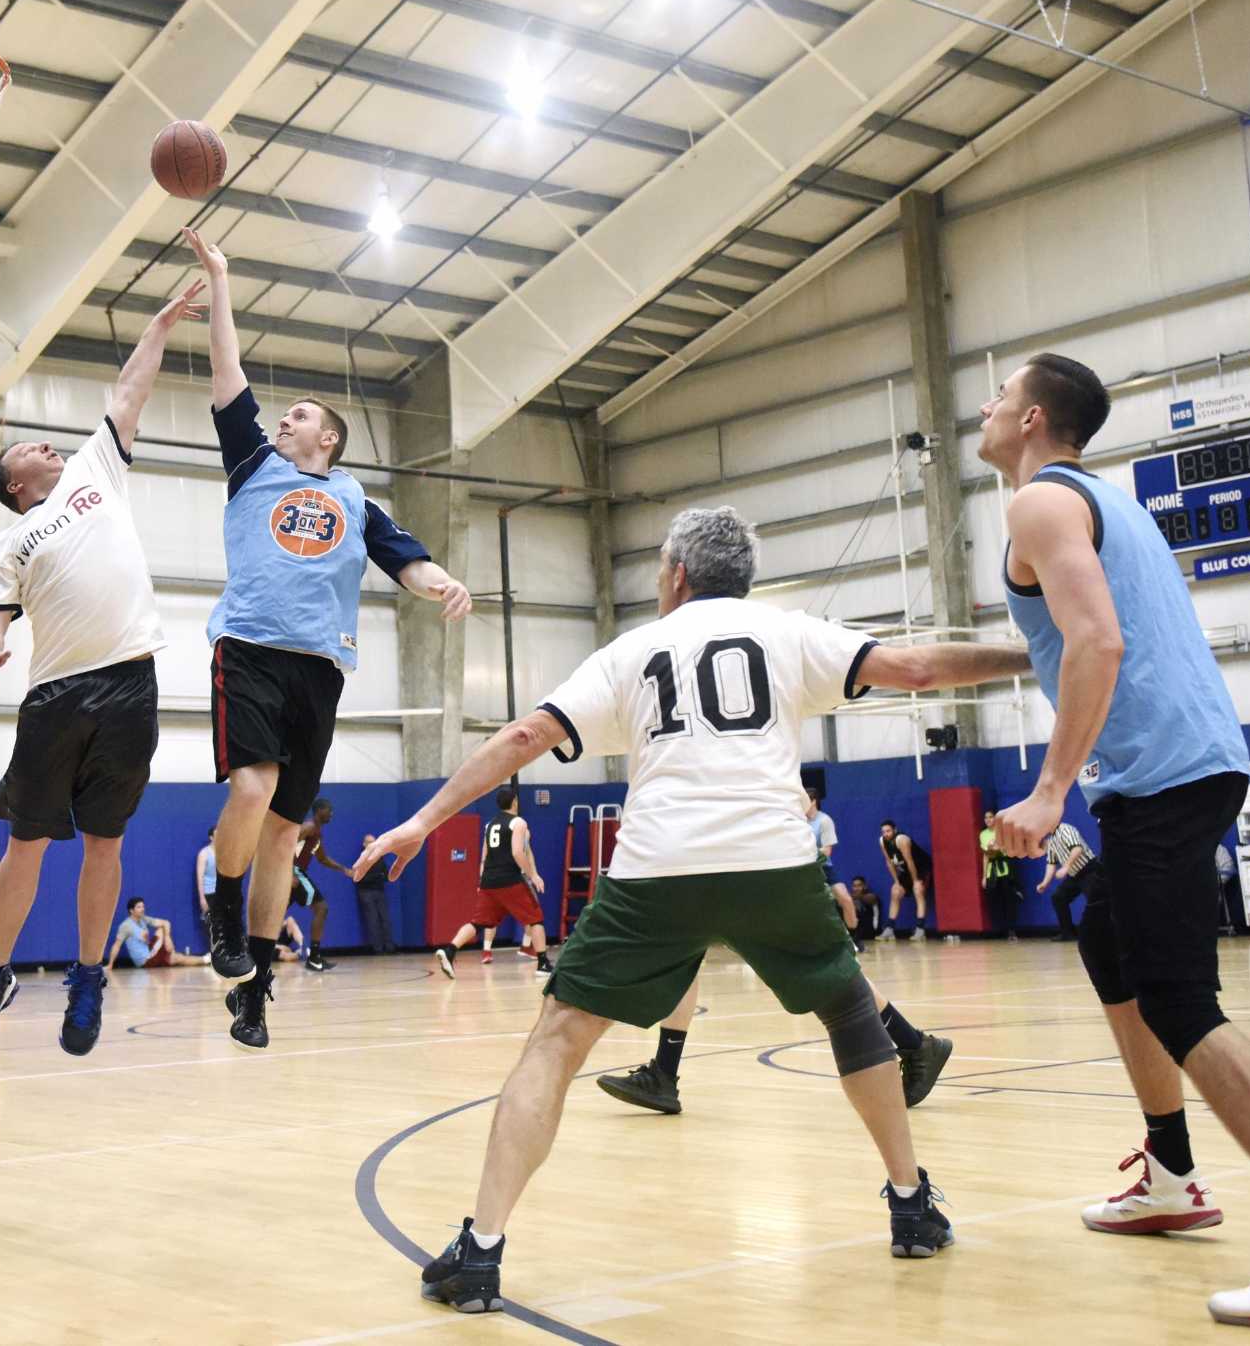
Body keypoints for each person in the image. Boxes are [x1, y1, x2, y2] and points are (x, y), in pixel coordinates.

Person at [354, 505, 1034, 1307]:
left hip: (658, 869)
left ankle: (481, 1250)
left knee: (556, 1041)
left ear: (677, 574)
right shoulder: (790, 633)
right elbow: (917, 669)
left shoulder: (631, 650)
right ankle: (912, 1205)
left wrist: (423, 821)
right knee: (852, 1014)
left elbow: (523, 738)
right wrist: (1038, 652)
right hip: (771, 861)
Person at [982, 354, 1250, 1325]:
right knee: (1108, 937)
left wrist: (1049, 790)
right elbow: (1071, 636)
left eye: (1000, 395)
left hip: (1164, 775)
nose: (986, 406)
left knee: (1179, 1000)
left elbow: (1098, 642)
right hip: (1189, 762)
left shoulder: (1036, 505)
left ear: (1032, 419)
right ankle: (1171, 1174)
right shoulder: (1104, 502)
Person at [185, 226, 472, 1051]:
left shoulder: (356, 499)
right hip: (250, 646)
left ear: (330, 439)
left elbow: (406, 561)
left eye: (301, 414)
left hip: (321, 667)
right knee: (250, 791)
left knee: (284, 830)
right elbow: (227, 374)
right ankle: (223, 914)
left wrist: (440, 582)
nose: (286, 417)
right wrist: (221, 280)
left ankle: (256, 990)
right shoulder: (254, 465)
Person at [0, 291, 197, 1059]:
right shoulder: (10, 541)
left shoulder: (98, 467)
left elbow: (129, 391)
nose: (44, 444)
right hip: (56, 695)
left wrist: (158, 326)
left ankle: (88, 977)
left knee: (104, 842)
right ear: (15, 483)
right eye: (28, 448)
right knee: (27, 844)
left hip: (131, 682)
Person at [594, 971, 953, 1117]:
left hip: (768, 866)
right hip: (734, 864)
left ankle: (914, 1043)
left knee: (827, 968)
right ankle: (664, 1072)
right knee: (683, 956)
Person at [433, 787, 552, 978]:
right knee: (535, 918)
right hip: (510, 879)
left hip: (489, 881)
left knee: (478, 923)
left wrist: (481, 881)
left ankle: (450, 950)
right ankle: (543, 963)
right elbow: (517, 852)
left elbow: (484, 857)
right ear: (515, 801)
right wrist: (533, 875)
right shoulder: (518, 822)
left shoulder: (490, 825)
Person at [290, 799, 351, 972]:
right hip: (294, 872)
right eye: (329, 810)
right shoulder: (309, 827)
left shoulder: (317, 833)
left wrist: (343, 869)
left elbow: (322, 859)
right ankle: (314, 958)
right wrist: (289, 873)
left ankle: (314, 958)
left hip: (295, 873)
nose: (331, 813)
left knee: (275, 914)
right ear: (319, 811)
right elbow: (287, 844)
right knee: (321, 907)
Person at [808, 789, 860, 945]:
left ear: (813, 801)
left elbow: (827, 851)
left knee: (846, 899)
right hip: (803, 869)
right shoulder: (797, 822)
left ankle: (854, 939)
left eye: (803, 799)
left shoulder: (824, 821)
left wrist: (806, 852)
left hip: (823, 867)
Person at [1036, 820, 1098, 940]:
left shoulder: (1065, 829)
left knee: (1095, 900)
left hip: (1089, 870)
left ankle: (1106, 931)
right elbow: (1051, 863)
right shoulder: (1051, 840)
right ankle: (1067, 933)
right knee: (1058, 897)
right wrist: (1044, 883)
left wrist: (1066, 867)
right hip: (1074, 875)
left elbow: (1077, 849)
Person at [106, 897, 209, 970]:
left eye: (143, 906)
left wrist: (167, 938)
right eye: (139, 907)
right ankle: (206, 959)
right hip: (145, 960)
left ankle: (204, 959)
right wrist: (110, 964)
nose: (142, 909)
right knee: (175, 958)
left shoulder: (143, 919)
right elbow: (116, 945)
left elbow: (166, 923)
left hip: (150, 953)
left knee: (161, 930)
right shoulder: (126, 926)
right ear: (131, 911)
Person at [878, 820, 932, 940]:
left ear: (895, 830)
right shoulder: (882, 841)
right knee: (895, 891)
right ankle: (889, 929)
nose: (885, 834)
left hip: (922, 868)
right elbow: (889, 863)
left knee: (918, 891)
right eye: (883, 832)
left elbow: (909, 861)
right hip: (906, 871)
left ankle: (920, 930)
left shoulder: (902, 839)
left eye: (888, 831)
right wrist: (897, 882)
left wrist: (916, 881)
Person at [980, 810, 1022, 940]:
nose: (988, 820)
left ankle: (1011, 930)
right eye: (986, 818)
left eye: (990, 817)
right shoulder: (983, 834)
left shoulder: (1002, 832)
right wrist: (984, 876)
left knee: (1009, 901)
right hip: (992, 872)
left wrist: (996, 848)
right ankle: (999, 929)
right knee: (994, 901)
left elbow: (1007, 849)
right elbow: (986, 856)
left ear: (995, 819)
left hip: (1004, 870)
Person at [354, 833, 396, 956]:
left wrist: (378, 877)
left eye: (374, 841)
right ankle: (378, 948)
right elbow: (360, 878)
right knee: (373, 920)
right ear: (364, 844)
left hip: (379, 891)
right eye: (369, 842)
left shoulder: (379, 858)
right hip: (366, 892)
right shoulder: (362, 859)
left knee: (385, 919)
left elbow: (386, 875)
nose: (372, 844)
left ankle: (389, 946)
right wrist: (378, 876)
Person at [196, 832, 218, 945]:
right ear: (211, 837)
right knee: (211, 924)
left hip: (221, 893)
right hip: (209, 893)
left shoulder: (224, 852)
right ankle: (214, 950)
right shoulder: (204, 853)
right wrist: (202, 898)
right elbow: (200, 877)